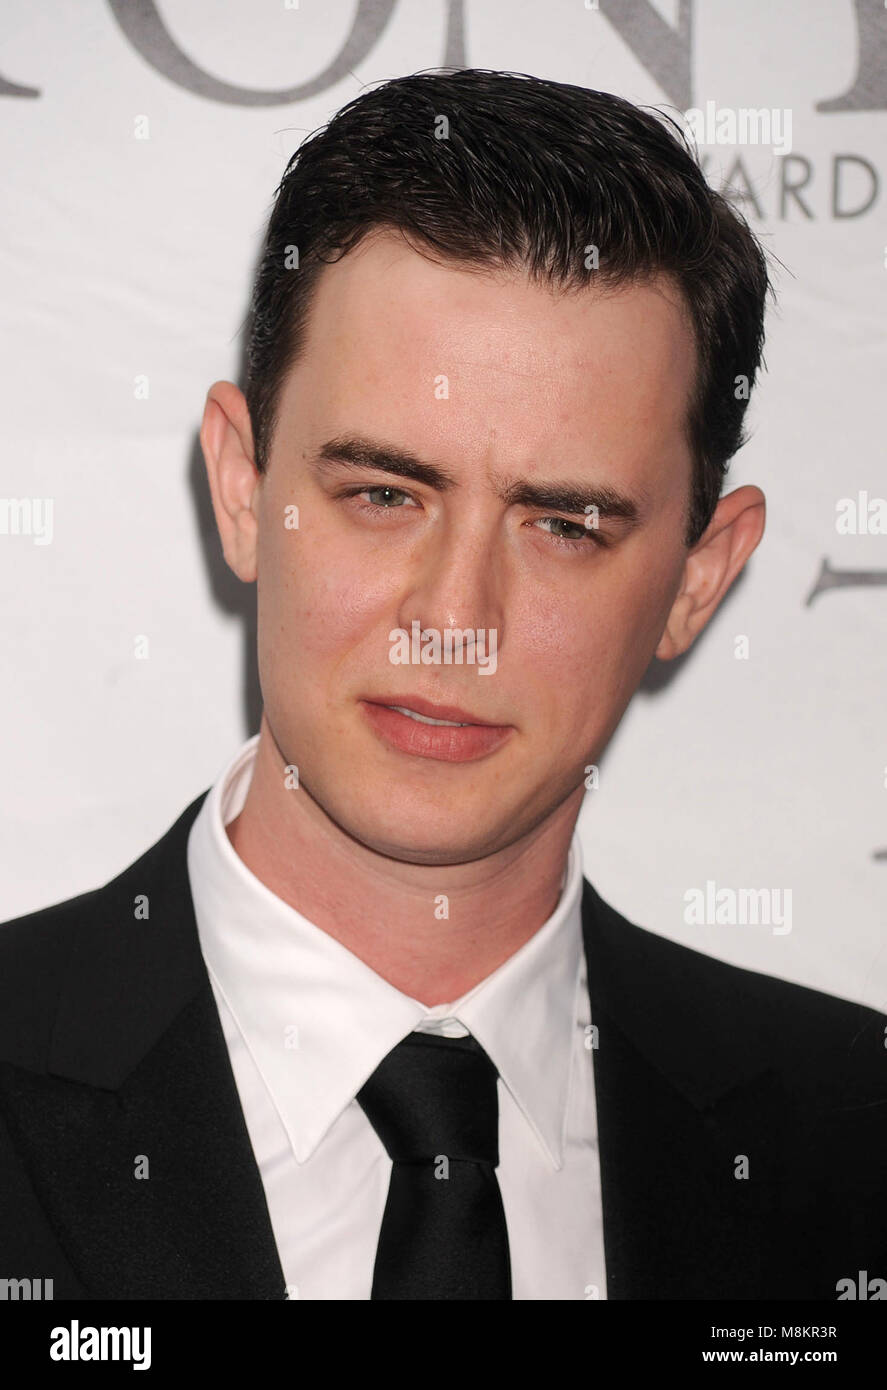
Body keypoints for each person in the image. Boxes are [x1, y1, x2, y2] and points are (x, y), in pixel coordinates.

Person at [1, 68, 884, 1303]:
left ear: (697, 576)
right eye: (382, 496)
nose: (453, 621)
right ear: (243, 487)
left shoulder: (857, 1140)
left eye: (565, 523)